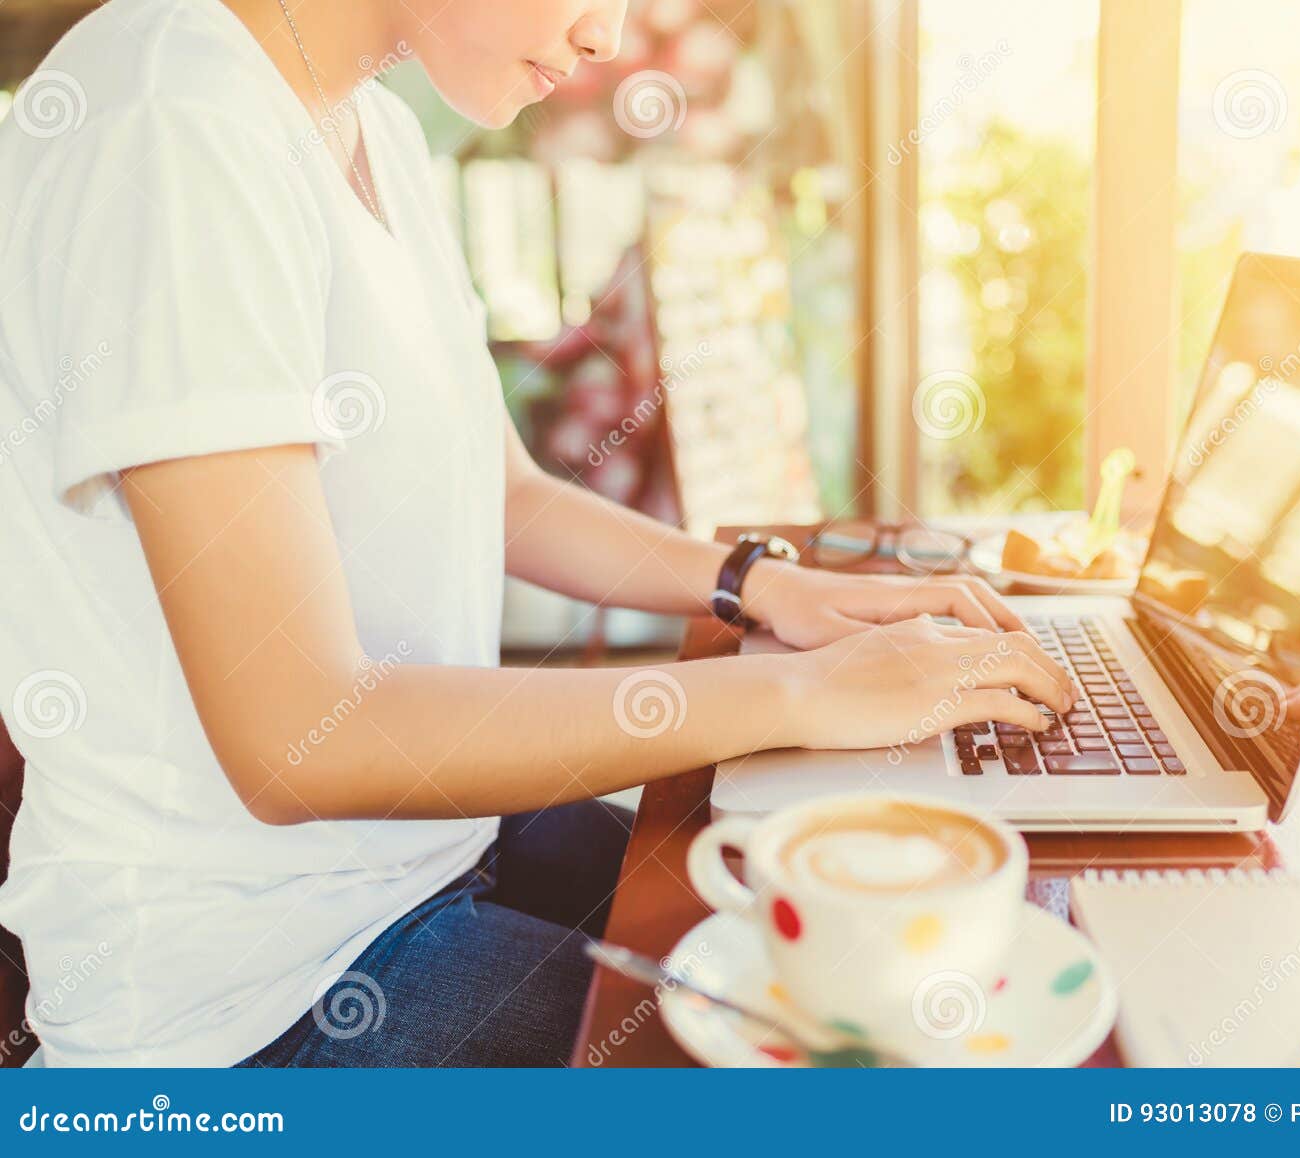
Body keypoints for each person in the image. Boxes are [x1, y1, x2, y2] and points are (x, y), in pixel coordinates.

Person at [0, 0, 1075, 1066]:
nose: (609, 36)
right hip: (252, 996)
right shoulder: (170, 119)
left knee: (869, 962)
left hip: (422, 857)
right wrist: (798, 691)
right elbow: (299, 739)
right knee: (842, 1077)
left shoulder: (378, 129)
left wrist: (756, 584)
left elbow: (503, 493)